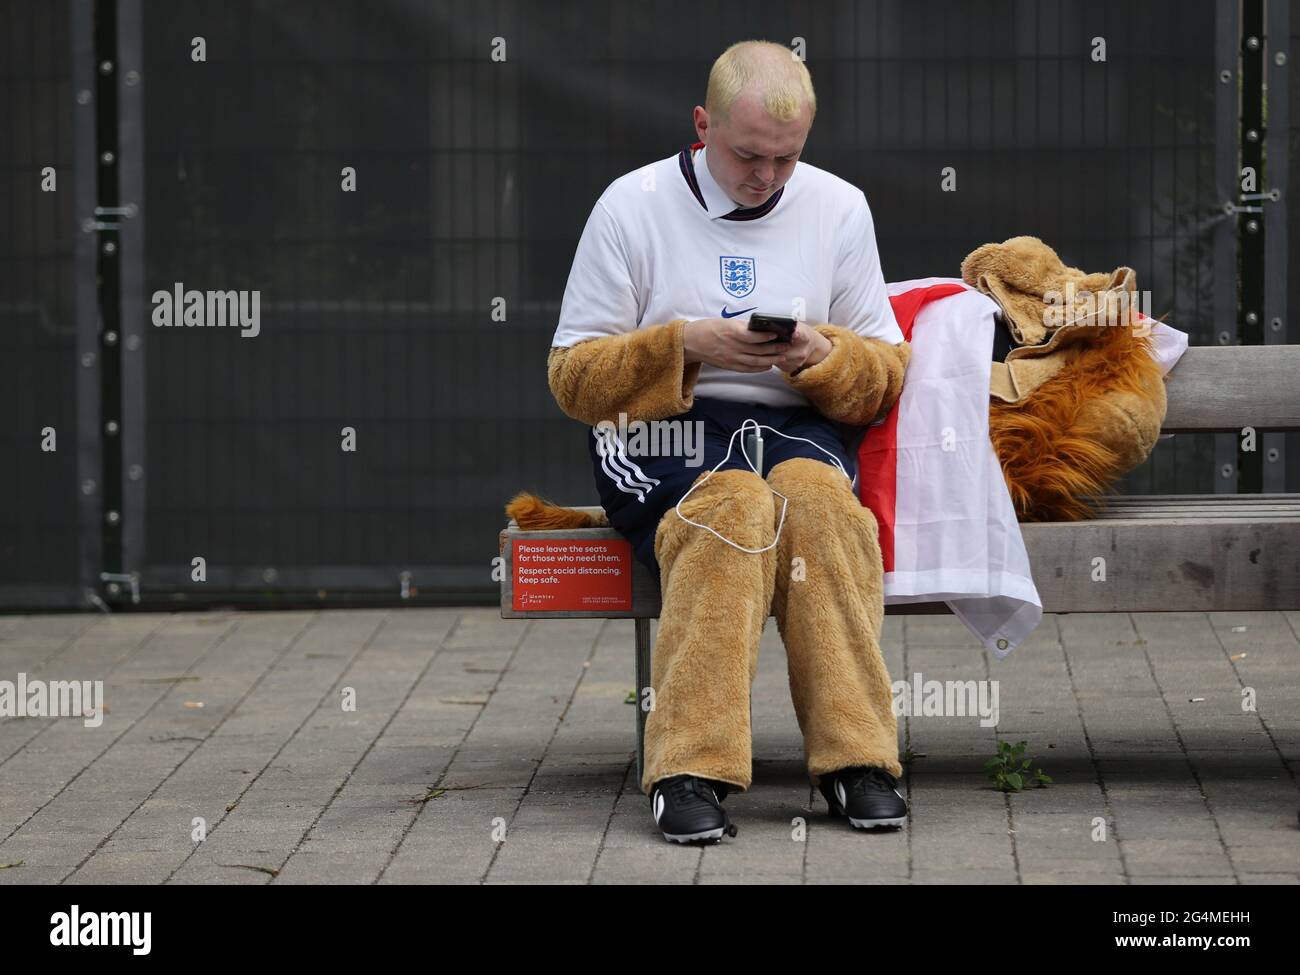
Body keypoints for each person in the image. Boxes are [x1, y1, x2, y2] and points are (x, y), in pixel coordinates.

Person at [548, 39, 911, 844]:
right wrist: (686, 344)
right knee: (735, 510)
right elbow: (572, 379)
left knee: (823, 511)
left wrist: (826, 356)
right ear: (702, 124)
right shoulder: (630, 205)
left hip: (792, 422)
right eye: (749, 155)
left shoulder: (839, 206)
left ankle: (858, 759)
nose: (768, 178)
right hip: (660, 430)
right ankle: (688, 768)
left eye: (788, 159)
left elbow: (885, 371)